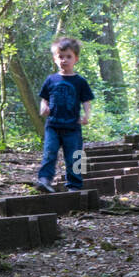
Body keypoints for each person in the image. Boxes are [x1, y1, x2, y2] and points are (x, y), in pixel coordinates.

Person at [36, 37, 94, 193]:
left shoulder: (79, 81)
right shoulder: (51, 79)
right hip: (53, 125)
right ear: (55, 59)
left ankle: (75, 185)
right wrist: (44, 108)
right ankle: (44, 180)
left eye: (68, 57)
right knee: (49, 152)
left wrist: (87, 116)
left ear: (76, 59)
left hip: (73, 126)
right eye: (60, 57)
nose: (64, 60)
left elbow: (86, 101)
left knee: (75, 156)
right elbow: (44, 99)